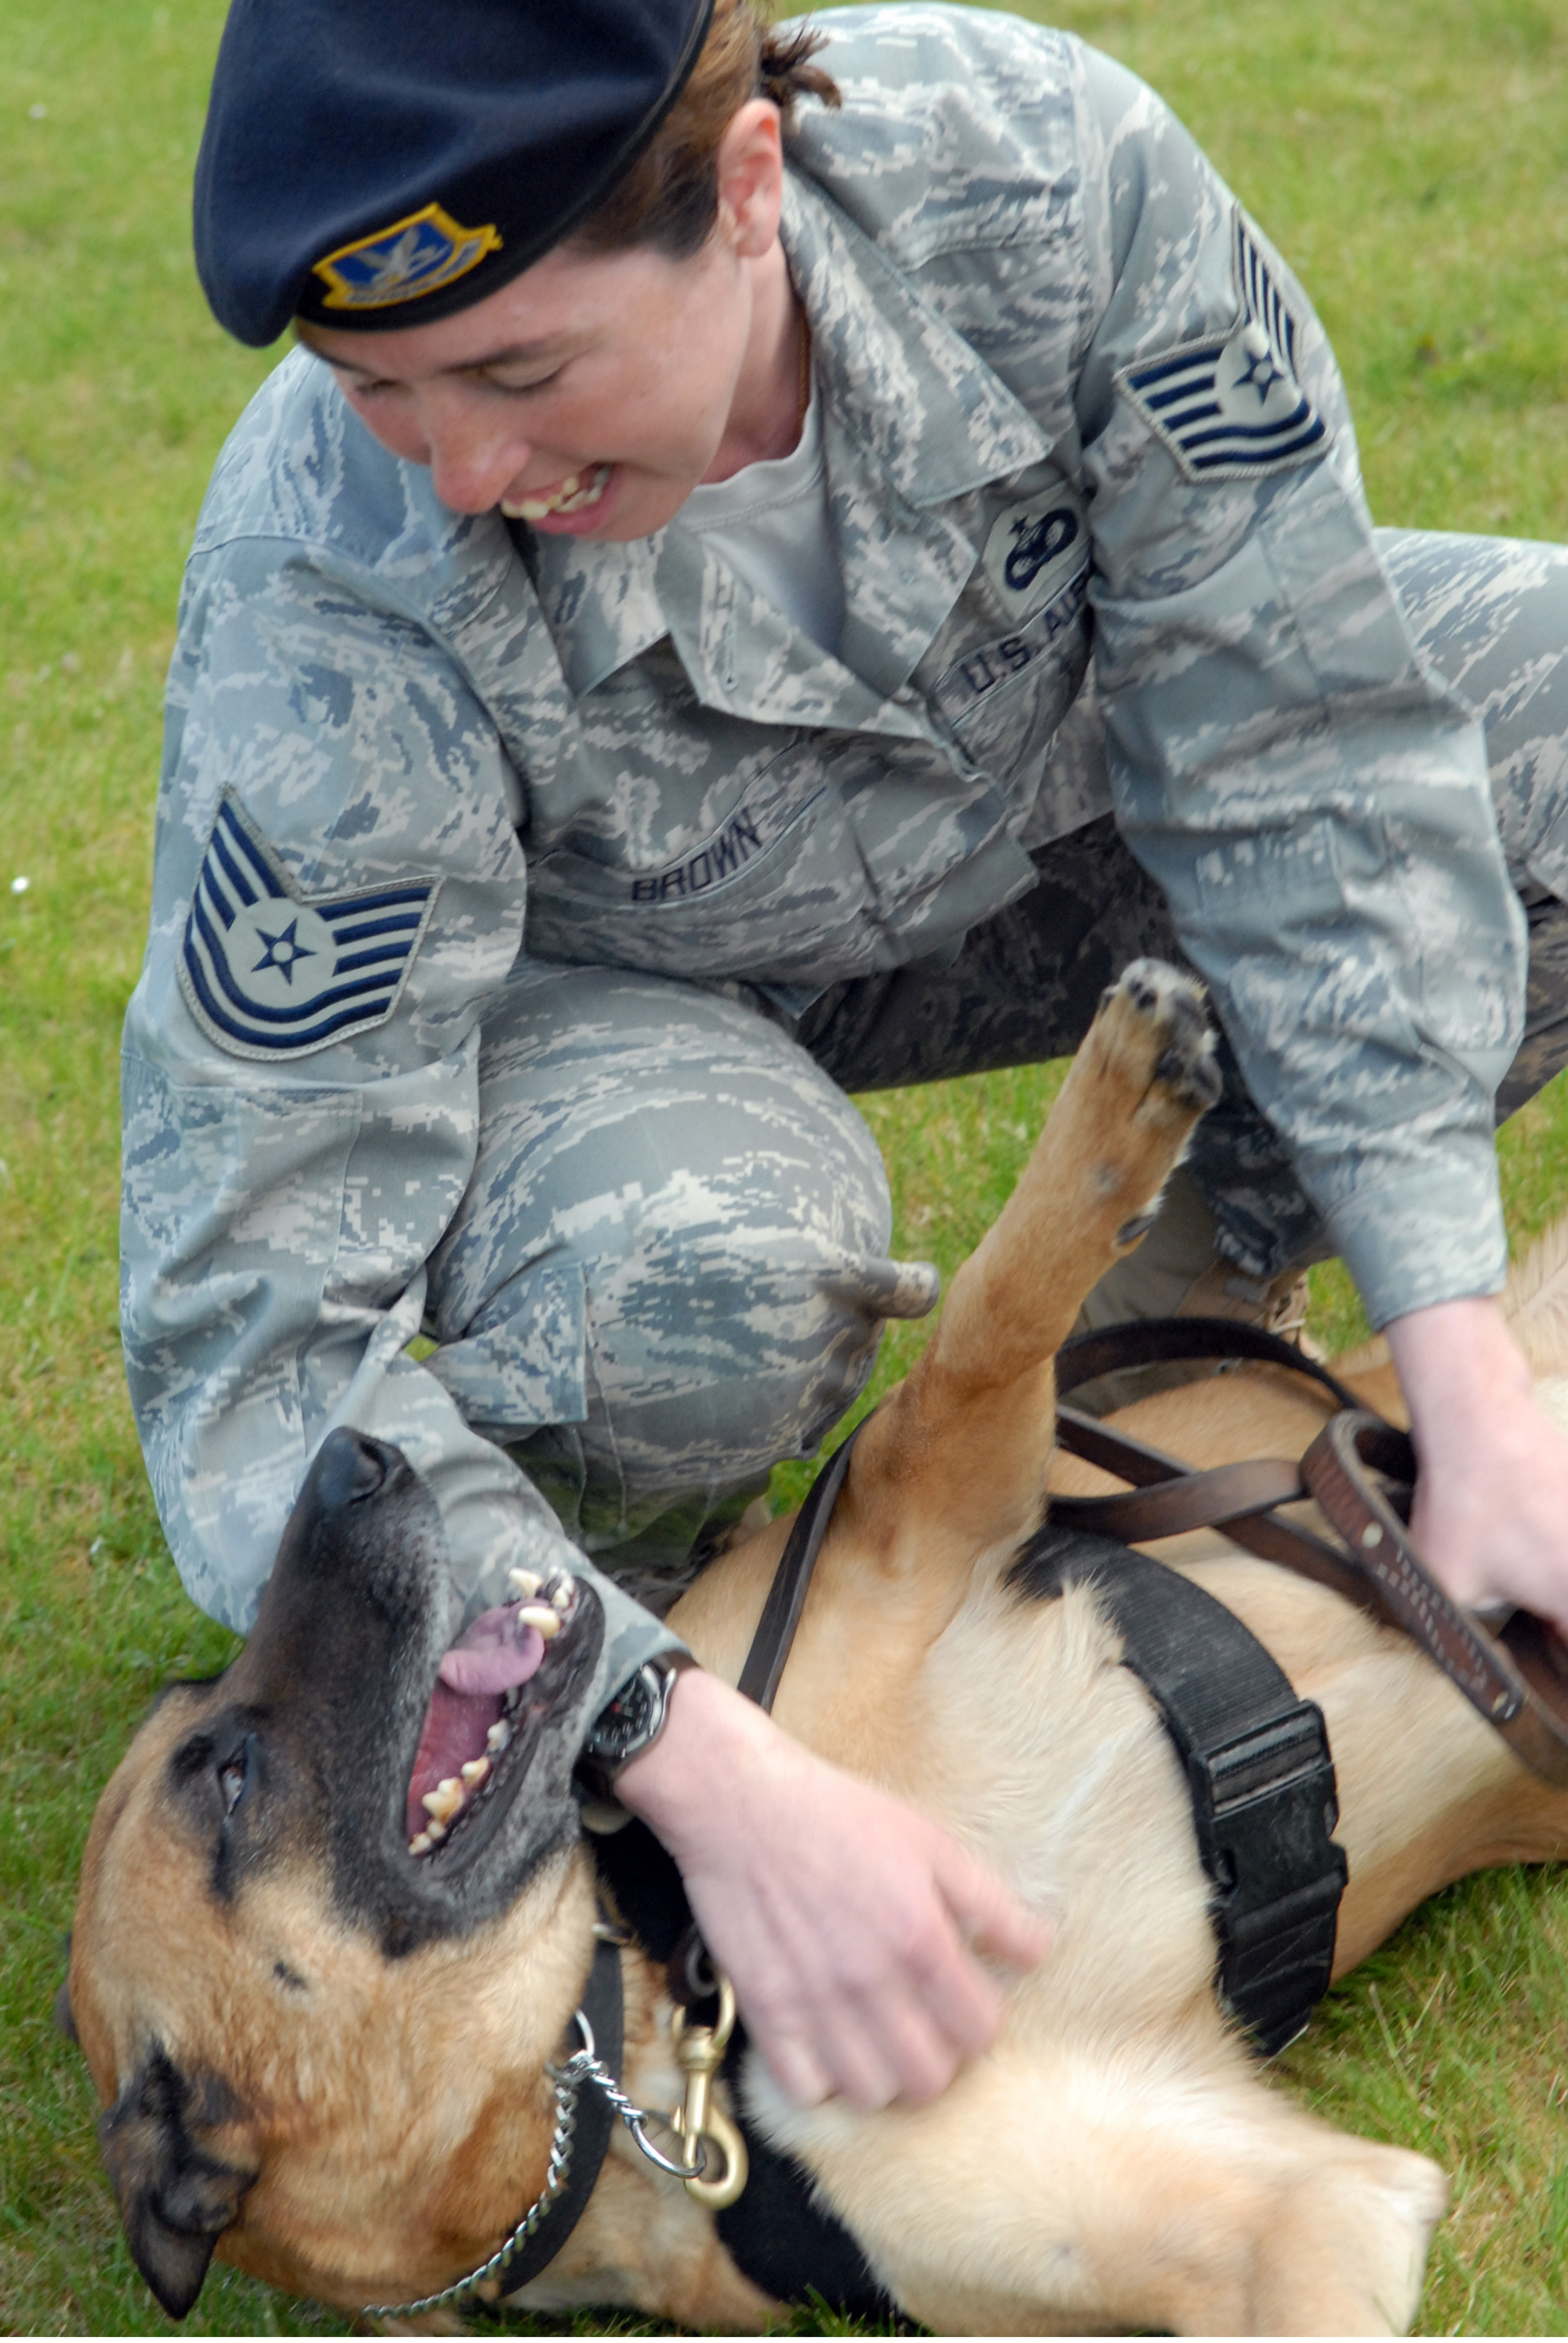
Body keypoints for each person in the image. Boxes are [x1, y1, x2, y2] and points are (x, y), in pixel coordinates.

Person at [123, 0, 1568, 2112]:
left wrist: (1469, 1382)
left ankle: (1170, 1341)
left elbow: (1302, 747)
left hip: (1043, 846)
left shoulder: (1041, 179)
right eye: (379, 392)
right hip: (634, 1010)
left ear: (746, 193)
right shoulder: (338, 566)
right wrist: (706, 1769)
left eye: (523, 372)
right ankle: (630, 1624)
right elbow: (259, 1344)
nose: (463, 470)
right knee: (701, 1273)